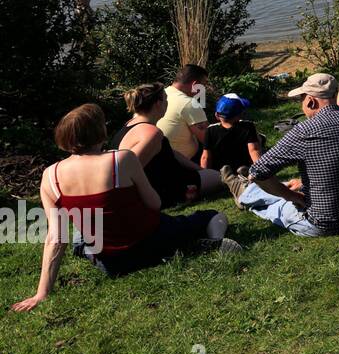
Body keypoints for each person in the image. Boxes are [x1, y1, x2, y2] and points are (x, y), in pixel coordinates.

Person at [11, 104, 238, 310]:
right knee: (214, 215)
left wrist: (42, 293)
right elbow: (154, 203)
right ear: (100, 131)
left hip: (112, 265)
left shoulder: (50, 176)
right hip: (154, 240)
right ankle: (211, 242)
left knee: (82, 238)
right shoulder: (121, 160)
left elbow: (56, 237)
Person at [221, 73, 339, 237]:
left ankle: (244, 193)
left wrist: (292, 196)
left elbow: (258, 172)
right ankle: (246, 191)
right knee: (286, 189)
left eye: (301, 99)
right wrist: (304, 185)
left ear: (311, 101)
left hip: (323, 223)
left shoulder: (305, 131)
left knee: (281, 204)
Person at [110, 83, 223, 206]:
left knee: (212, 174)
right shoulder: (151, 133)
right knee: (219, 178)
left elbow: (172, 153)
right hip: (167, 188)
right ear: (158, 104)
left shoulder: (129, 125)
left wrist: (199, 169)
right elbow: (129, 167)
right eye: (166, 100)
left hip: (168, 179)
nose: (167, 104)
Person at [158, 64, 210, 162]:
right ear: (195, 84)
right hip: (177, 164)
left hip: (154, 160)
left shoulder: (161, 95)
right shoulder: (189, 103)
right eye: (203, 85)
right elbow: (208, 139)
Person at [200, 94, 264, 172]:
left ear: (217, 115)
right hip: (244, 169)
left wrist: (206, 174)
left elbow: (206, 157)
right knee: (261, 138)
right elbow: (254, 150)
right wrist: (260, 171)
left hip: (219, 173)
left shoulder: (210, 130)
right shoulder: (248, 127)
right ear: (240, 114)